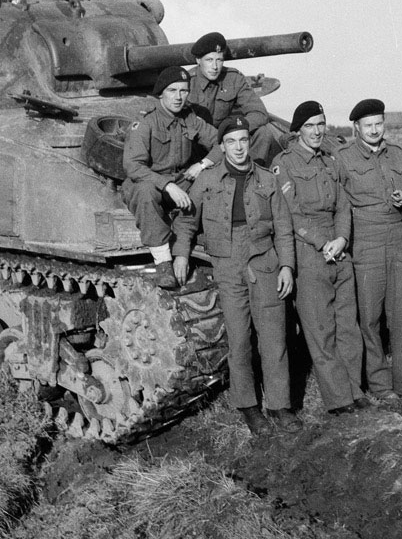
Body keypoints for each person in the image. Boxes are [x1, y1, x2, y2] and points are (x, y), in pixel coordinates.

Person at [172, 115, 301, 435]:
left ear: (249, 142)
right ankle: (248, 407)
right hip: (228, 266)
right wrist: (181, 253)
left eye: (244, 140)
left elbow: (284, 228)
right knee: (240, 340)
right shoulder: (208, 180)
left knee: (274, 339)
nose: (239, 147)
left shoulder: (267, 179)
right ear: (222, 146)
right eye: (232, 141)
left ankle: (280, 407)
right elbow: (187, 220)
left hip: (264, 263)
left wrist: (287, 266)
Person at [272, 101, 369, 415]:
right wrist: (322, 242)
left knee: (348, 328)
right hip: (309, 251)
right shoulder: (284, 163)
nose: (316, 131)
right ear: (298, 129)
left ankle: (355, 390)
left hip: (338, 248)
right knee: (321, 329)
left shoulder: (330, 160)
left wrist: (341, 238)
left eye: (321, 124)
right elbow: (290, 214)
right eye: (310, 125)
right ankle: (339, 399)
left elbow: (343, 204)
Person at [337, 98, 402, 410]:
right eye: (368, 126)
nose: (374, 130)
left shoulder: (398, 154)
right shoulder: (343, 157)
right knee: (370, 317)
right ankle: (379, 384)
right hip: (365, 242)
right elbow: (338, 202)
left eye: (378, 124)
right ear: (356, 128)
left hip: (398, 237)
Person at [122, 66, 222, 289]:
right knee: (145, 192)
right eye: (172, 90)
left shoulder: (190, 118)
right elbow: (133, 166)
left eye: (184, 91)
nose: (179, 97)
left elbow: (221, 143)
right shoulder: (146, 123)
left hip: (180, 179)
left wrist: (202, 164)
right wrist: (166, 185)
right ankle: (163, 260)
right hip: (148, 182)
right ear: (161, 93)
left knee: (210, 179)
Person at [187, 32, 275, 164]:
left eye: (219, 60)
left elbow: (259, 113)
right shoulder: (187, 82)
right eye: (209, 60)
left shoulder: (233, 78)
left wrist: (233, 131)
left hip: (228, 138)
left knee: (263, 132)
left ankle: (252, 175)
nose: (215, 67)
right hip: (198, 142)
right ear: (198, 60)